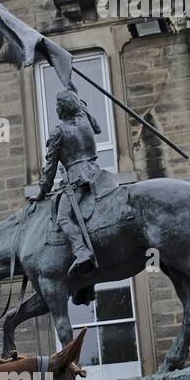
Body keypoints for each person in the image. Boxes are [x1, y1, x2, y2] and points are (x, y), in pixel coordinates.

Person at [36, 89, 120, 279]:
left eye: (58, 105)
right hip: (97, 173)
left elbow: (50, 169)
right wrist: (78, 101)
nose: (56, 108)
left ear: (63, 108)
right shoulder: (84, 121)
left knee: (63, 218)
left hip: (77, 179)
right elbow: (98, 128)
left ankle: (81, 251)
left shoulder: (58, 132)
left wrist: (42, 192)